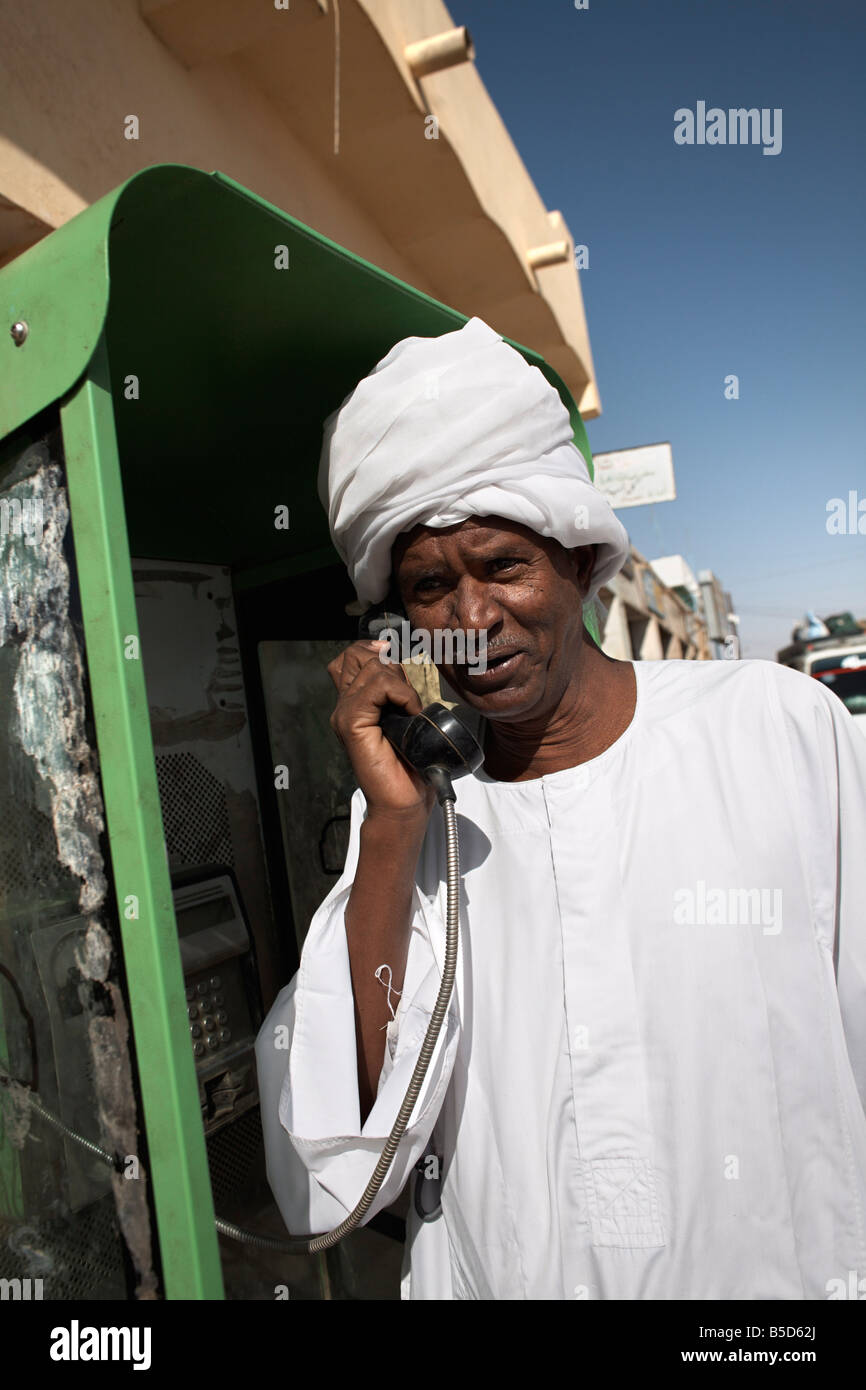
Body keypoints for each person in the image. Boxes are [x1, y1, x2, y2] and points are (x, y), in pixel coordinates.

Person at [255, 316, 866, 1300]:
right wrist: (394, 825)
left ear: (579, 560)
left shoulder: (773, 728)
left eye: (502, 566)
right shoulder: (415, 826)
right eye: (427, 587)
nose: (470, 620)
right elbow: (337, 1165)